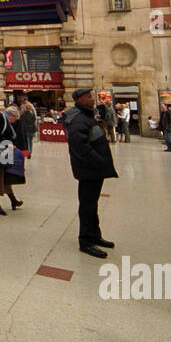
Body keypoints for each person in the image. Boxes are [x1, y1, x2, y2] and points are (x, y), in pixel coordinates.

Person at [63, 88, 117, 258]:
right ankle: (85, 240)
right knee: (87, 205)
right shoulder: (79, 120)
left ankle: (95, 235)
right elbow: (81, 147)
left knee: (92, 204)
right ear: (79, 100)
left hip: (93, 169)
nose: (92, 100)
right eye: (88, 97)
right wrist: (99, 160)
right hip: (89, 169)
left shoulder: (86, 116)